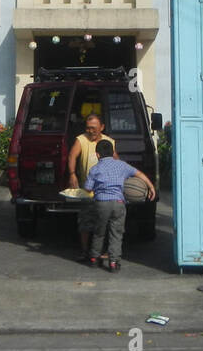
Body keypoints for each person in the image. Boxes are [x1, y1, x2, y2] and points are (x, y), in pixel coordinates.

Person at [82, 139, 155, 272]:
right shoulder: (122, 165)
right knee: (116, 233)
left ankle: (94, 259)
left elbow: (87, 188)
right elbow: (139, 174)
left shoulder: (95, 169)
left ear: (98, 155)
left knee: (99, 232)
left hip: (101, 203)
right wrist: (151, 187)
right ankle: (114, 262)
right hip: (119, 203)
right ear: (113, 152)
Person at [66, 114, 116, 261]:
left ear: (102, 127)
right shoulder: (81, 140)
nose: (90, 131)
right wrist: (72, 174)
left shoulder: (109, 142)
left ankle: (104, 251)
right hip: (88, 190)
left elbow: (116, 160)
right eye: (88, 128)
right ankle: (85, 251)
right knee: (85, 222)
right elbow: (72, 156)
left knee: (105, 222)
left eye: (94, 128)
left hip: (105, 192)